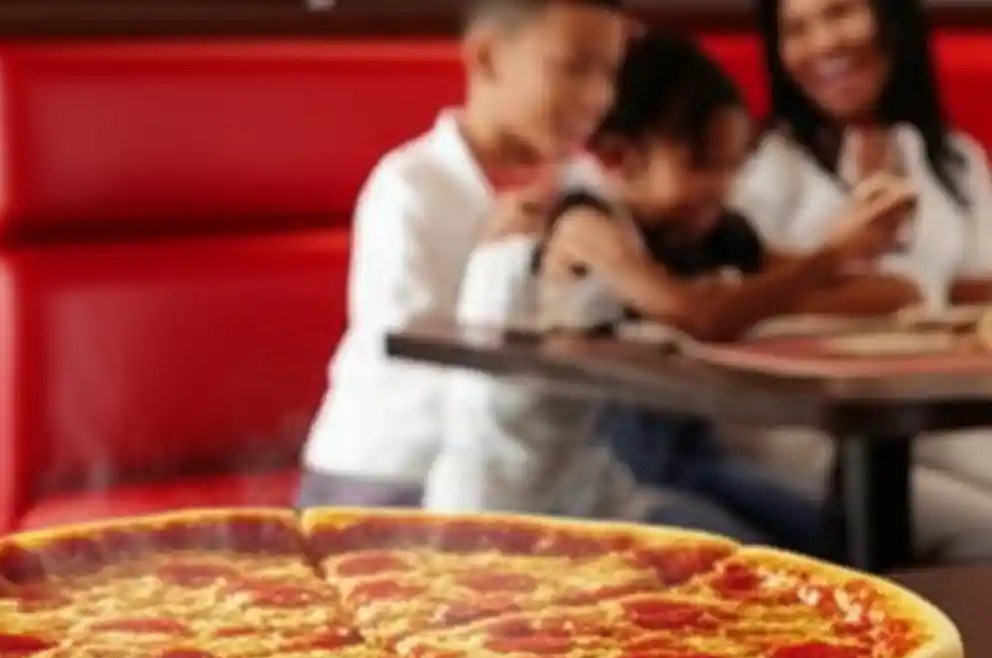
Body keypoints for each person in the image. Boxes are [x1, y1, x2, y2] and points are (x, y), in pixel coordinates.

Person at [425, 30, 910, 549]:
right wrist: (829, 256)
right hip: (522, 504)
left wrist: (836, 258)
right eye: (701, 164)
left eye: (732, 167)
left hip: (623, 477)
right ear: (618, 157)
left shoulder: (705, 230)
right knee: (756, 564)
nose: (721, 188)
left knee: (835, 539)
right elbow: (694, 315)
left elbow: (897, 293)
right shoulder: (582, 223)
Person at [299, 0, 626, 508]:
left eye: (610, 72)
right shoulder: (412, 186)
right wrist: (494, 263)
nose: (599, 97)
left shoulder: (588, 186)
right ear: (489, 57)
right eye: (574, 68)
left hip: (530, 475)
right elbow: (411, 354)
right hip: (391, 474)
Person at [727, 0, 992, 561]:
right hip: (795, 426)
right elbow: (730, 289)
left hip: (928, 409)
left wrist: (910, 293)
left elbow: (978, 284)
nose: (823, 43)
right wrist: (898, 290)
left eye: (840, 13)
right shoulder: (760, 162)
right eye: (796, 29)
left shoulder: (953, 159)